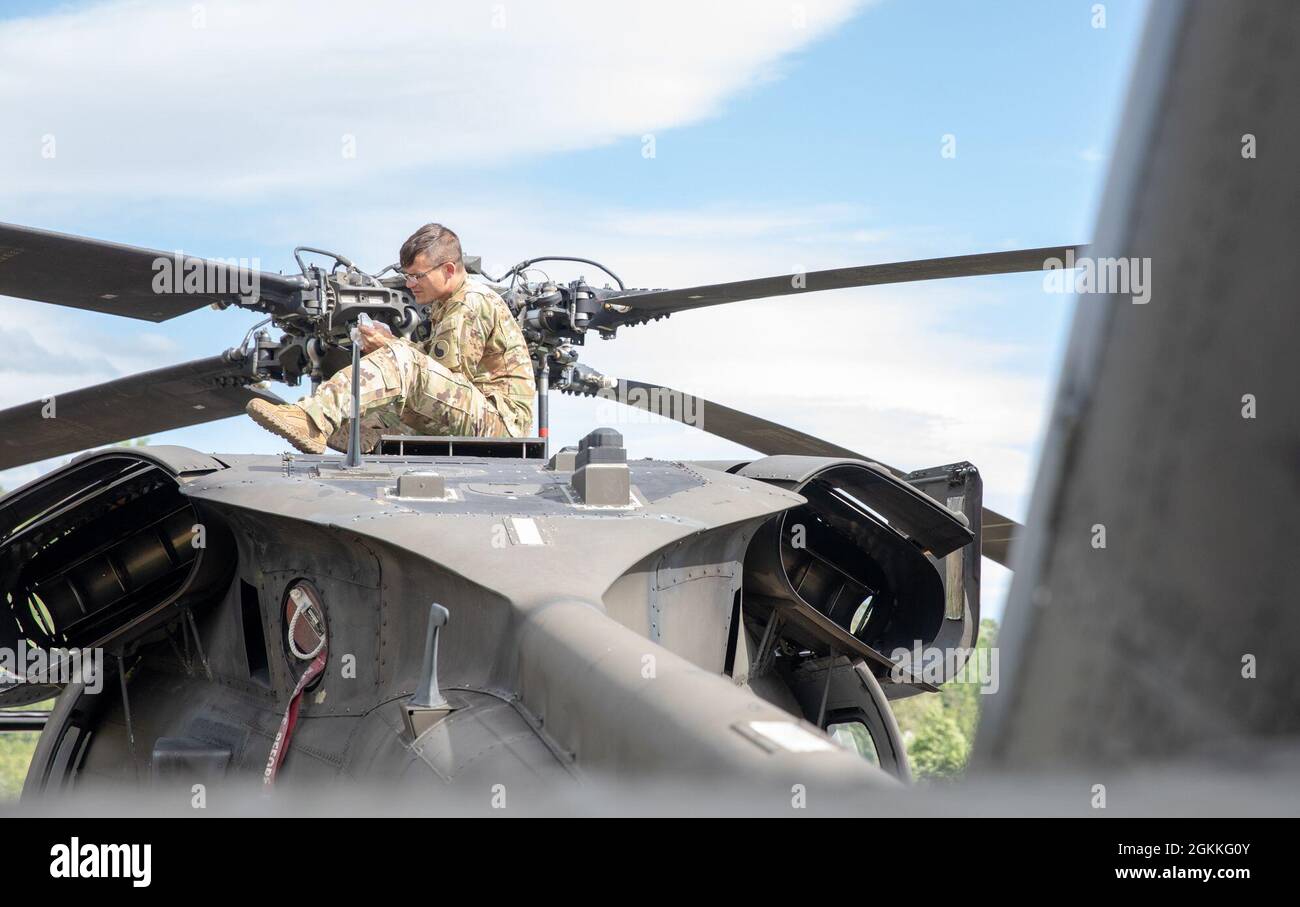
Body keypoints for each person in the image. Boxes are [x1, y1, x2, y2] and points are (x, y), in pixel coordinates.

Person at [247, 223, 536, 454]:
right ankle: (322, 426)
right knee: (366, 412)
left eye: (418, 276)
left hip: (499, 425)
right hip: (474, 414)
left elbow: (445, 377)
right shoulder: (446, 304)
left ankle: (310, 418)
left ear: (448, 270)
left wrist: (393, 348)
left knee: (400, 361)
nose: (411, 284)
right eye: (406, 276)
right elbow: (435, 376)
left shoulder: (470, 302)